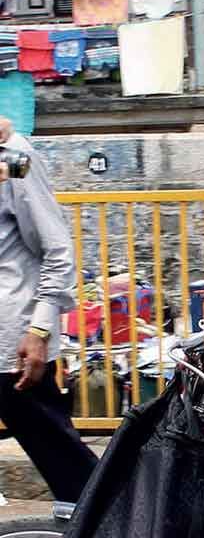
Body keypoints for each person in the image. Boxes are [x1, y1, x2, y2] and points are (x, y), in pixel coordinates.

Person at [0, 115, 98, 502]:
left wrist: (39, 329)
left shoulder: (15, 155)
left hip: (12, 341)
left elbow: (57, 248)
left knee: (66, 465)